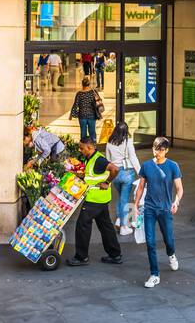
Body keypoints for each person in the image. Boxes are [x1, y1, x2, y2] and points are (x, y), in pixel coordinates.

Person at [132, 136, 183, 288]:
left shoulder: (173, 166)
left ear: (166, 150)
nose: (157, 152)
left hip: (166, 209)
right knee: (150, 242)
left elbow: (179, 188)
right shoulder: (146, 166)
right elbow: (141, 187)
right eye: (155, 148)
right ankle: (154, 274)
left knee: (168, 239)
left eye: (161, 149)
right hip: (149, 208)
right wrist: (136, 204)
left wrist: (176, 202)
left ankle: (171, 254)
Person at [67, 137, 123, 266]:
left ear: (90, 147)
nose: (80, 150)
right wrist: (76, 175)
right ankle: (115, 255)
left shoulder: (99, 160)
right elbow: (91, 175)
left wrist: (107, 182)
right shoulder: (91, 158)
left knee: (82, 225)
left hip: (94, 199)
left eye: (82, 148)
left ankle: (81, 257)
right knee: (106, 226)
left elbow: (115, 169)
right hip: (100, 199)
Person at [106, 122, 141, 234]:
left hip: (115, 173)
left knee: (121, 197)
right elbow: (133, 157)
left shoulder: (109, 142)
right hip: (127, 173)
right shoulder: (128, 141)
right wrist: (140, 172)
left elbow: (108, 159)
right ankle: (124, 227)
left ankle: (119, 220)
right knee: (124, 199)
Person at [70, 75, 104, 143]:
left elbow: (75, 105)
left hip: (82, 116)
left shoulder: (79, 94)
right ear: (89, 84)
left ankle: (83, 147)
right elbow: (99, 101)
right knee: (92, 132)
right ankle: (94, 146)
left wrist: (72, 114)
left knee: (83, 133)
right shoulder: (93, 92)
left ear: (82, 84)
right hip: (92, 115)